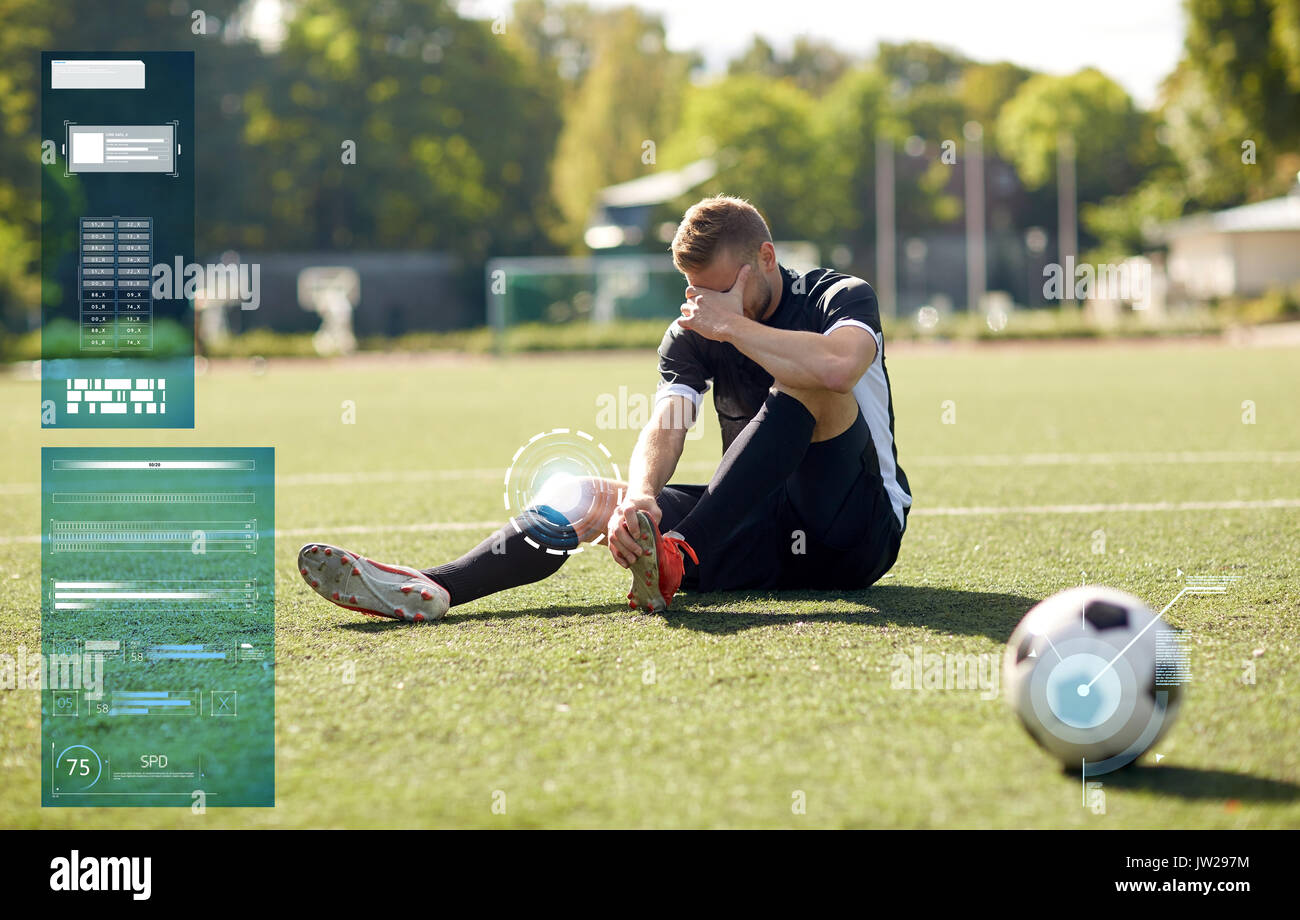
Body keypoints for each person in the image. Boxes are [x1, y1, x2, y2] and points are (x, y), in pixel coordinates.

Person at [297, 195, 911, 622]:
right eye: (694, 291)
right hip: (757, 532)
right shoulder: (695, 326)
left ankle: (678, 553)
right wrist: (642, 496)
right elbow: (667, 422)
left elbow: (838, 367)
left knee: (808, 383)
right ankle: (436, 586)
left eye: (720, 289)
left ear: (767, 259)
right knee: (591, 495)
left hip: (854, 534)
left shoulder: (837, 294)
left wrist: (733, 327)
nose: (704, 305)